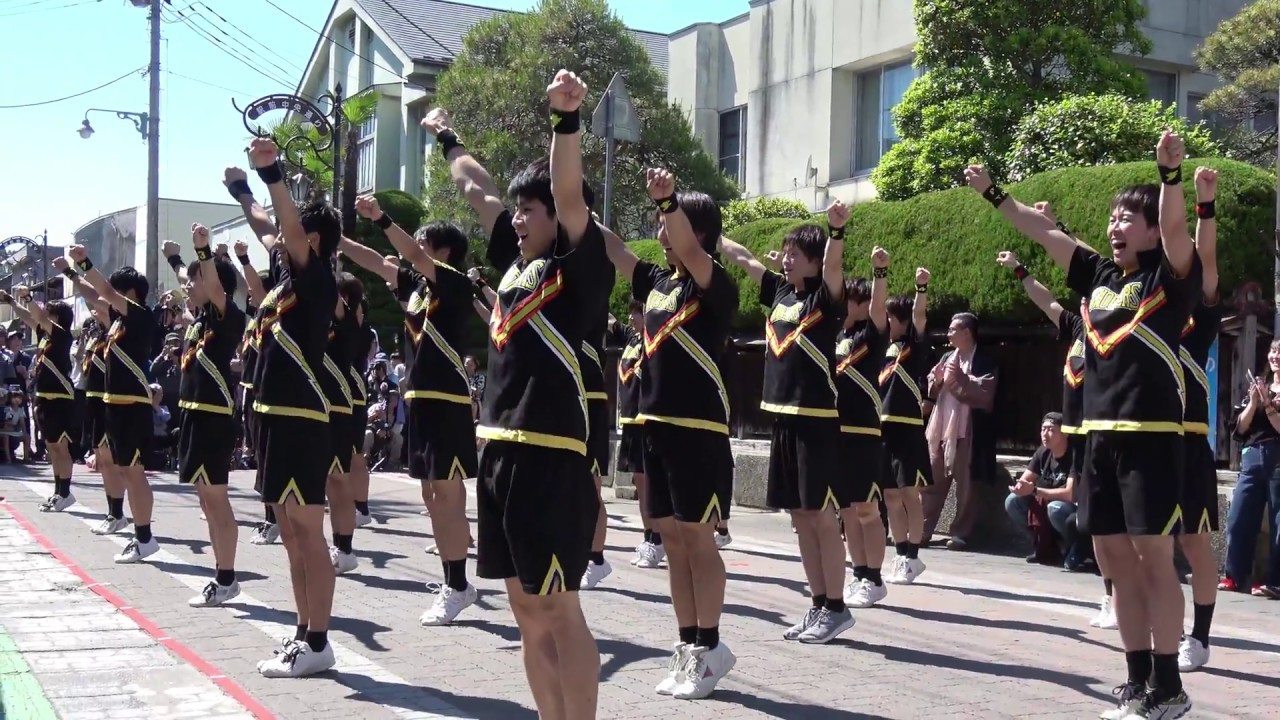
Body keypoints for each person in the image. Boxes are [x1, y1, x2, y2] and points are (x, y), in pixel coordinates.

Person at [965, 130, 1199, 718]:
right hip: (1098, 441)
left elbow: (1177, 229)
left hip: (1149, 441)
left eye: (1129, 219)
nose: (1116, 226)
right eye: (1112, 217)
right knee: (1114, 562)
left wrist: (1170, 176)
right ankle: (1138, 680)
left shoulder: (1169, 278)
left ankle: (1170, 687)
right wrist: (994, 193)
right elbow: (1042, 231)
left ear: (1151, 231)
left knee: (1154, 560)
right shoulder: (1097, 277)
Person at [425, 70, 604, 717]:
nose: (519, 218)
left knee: (558, 607)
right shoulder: (515, 264)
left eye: (532, 210)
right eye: (519, 210)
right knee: (524, 609)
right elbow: (476, 188)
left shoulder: (578, 267)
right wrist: (446, 137)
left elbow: (568, 192)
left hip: (550, 457)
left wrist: (565, 119)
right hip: (498, 455)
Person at [594, 165, 737, 695]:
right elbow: (616, 250)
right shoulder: (657, 283)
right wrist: (573, 207)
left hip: (697, 429)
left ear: (699, 233)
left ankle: (711, 646)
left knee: (697, 538)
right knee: (673, 540)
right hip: (654, 426)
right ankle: (688, 642)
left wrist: (669, 199)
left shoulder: (713, 283)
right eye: (660, 221)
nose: (661, 230)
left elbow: (694, 254)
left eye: (672, 222)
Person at [720, 204, 853, 644]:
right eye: (786, 251)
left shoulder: (824, 299)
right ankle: (818, 603)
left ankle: (837, 606)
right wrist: (705, 233)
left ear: (813, 260)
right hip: (783, 420)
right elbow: (744, 259)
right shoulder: (780, 292)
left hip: (816, 421)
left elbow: (834, 267)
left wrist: (836, 230)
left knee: (821, 517)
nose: (788, 258)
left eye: (796, 253)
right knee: (800, 517)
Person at [343, 200, 480, 625]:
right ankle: (455, 581)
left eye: (424, 241)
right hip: (419, 398)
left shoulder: (453, 282)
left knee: (447, 493)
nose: (415, 246)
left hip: (448, 399)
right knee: (431, 496)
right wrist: (335, 240)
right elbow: (375, 261)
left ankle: (457, 584)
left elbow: (411, 255)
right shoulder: (416, 286)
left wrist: (381, 218)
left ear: (445, 251)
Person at [244, 136, 340, 678]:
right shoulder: (284, 282)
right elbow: (266, 224)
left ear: (313, 238)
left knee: (307, 532)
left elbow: (285, 227)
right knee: (288, 533)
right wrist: (242, 190)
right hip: (273, 418)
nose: (278, 238)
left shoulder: (315, 277)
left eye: (293, 231)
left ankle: (320, 641)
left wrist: (272, 173)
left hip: (301, 419)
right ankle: (304, 633)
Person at [997, 231, 1117, 629]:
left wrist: (1058, 226)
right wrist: (1020, 270)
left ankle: (1122, 593)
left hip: (1104, 431)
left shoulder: (1116, 329)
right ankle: (1110, 595)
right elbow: (1046, 300)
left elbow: (1099, 263)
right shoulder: (1078, 328)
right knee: (1095, 520)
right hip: (1080, 435)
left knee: (1108, 519)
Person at [70, 245, 160, 564]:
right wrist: (71, 273)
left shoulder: (140, 316)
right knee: (125, 470)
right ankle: (138, 533)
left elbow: (104, 291)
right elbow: (96, 295)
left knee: (134, 473)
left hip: (132, 405)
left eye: (118, 291)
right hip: (114, 405)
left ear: (131, 293)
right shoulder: (118, 322)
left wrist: (84, 262)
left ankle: (144, 538)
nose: (110, 296)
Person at [177, 224, 247, 608]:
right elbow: (192, 282)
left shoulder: (227, 315)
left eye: (195, 279)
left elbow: (216, 288)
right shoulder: (200, 319)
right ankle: (221, 574)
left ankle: (227, 578)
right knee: (206, 501)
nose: (188, 286)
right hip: (192, 415)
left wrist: (203, 250)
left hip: (214, 416)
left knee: (217, 501)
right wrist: (177, 259)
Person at [1172, 167, 1224, 673]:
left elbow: (1206, 260)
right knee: (1139, 544)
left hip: (1187, 442)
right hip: (1145, 441)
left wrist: (1203, 203)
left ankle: (1200, 636)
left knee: (1193, 542)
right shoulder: (1148, 301)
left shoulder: (1199, 315)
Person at [836, 249, 892, 609]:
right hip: (835, 432)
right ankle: (858, 573)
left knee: (867, 508)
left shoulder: (870, 336)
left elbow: (878, 307)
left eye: (848, 299)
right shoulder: (835, 337)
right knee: (846, 511)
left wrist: (879, 272)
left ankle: (874, 577)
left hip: (863, 433)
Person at [922, 312, 998, 549]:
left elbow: (984, 391)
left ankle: (960, 533)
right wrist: (936, 380)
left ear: (967, 332)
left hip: (968, 431)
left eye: (953, 330)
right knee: (930, 481)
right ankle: (921, 531)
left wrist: (958, 379)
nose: (948, 334)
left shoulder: (985, 360)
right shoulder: (947, 356)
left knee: (966, 487)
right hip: (941, 429)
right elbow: (934, 386)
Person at [879, 269, 933, 585]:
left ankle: (913, 556)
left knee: (909, 494)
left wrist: (920, 288)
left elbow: (920, 316)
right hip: (882, 429)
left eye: (889, 317)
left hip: (907, 428)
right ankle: (900, 554)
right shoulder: (877, 348)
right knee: (890, 496)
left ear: (900, 320)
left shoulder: (913, 345)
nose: (884, 321)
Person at [1, 287, 77, 510]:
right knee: (51, 446)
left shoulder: (62, 335)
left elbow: (38, 315)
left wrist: (28, 297)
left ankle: (65, 492)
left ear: (58, 318)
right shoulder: (45, 335)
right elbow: (29, 316)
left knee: (61, 447)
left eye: (49, 312)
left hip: (60, 396)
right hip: (43, 395)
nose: (44, 315)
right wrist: (11, 302)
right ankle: (58, 492)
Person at [1225, 337, 1280, 599]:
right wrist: (1254, 403)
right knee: (1238, 519)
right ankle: (1234, 576)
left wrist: (1268, 405)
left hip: (1278, 458)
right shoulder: (1259, 387)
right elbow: (1240, 429)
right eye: (1273, 351)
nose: (1275, 356)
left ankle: (1275, 581)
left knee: (1279, 523)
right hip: (1252, 456)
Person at [319, 273, 364, 576]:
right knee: (330, 482)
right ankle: (339, 546)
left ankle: (345, 549)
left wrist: (323, 262)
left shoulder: (348, 321)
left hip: (336, 405)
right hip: (319, 405)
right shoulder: (323, 320)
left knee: (338, 480)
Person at [612, 302, 661, 568]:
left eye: (637, 313)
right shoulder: (631, 338)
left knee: (649, 483)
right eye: (630, 313)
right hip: (629, 421)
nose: (631, 317)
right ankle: (648, 536)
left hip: (646, 420)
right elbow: (610, 321)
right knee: (639, 483)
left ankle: (657, 538)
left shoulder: (655, 340)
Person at [1005, 413, 1078, 554]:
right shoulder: (1043, 452)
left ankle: (1070, 545)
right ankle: (1041, 542)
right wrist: (1019, 487)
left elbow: (1070, 494)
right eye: (1043, 429)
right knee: (1013, 501)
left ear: (1065, 434)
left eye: (1051, 430)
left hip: (1069, 508)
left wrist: (1035, 491)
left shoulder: (1075, 455)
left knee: (1055, 508)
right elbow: (1026, 479)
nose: (1045, 434)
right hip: (1046, 501)